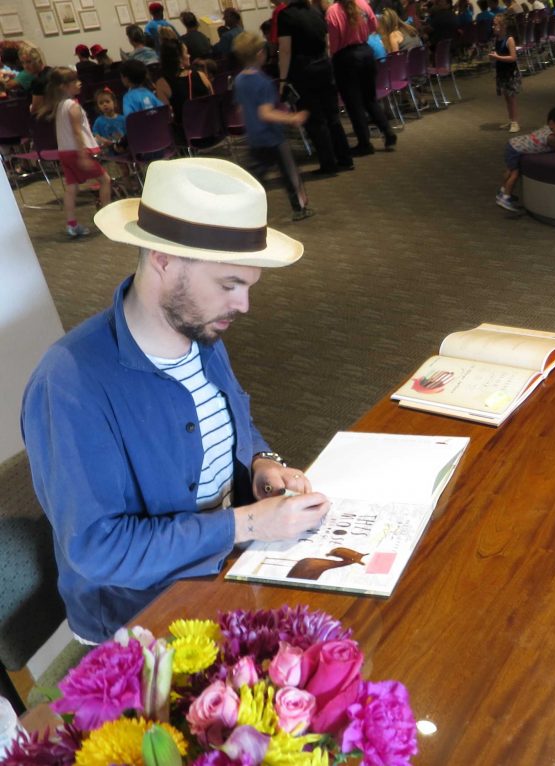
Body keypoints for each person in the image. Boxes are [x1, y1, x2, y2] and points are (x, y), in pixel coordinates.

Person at [21, 157, 332, 644]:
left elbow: (234, 417)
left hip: (223, 560)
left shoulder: (198, 332)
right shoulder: (69, 384)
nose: (244, 305)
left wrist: (261, 461)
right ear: (163, 260)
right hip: (139, 614)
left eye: (248, 286)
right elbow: (99, 550)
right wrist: (247, 523)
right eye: (229, 285)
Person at [233, 31, 314, 222]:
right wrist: (292, 117)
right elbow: (266, 113)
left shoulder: (239, 80)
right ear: (261, 53)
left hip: (254, 137)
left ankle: (242, 211)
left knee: (254, 178)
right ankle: (299, 207)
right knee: (290, 174)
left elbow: (241, 109)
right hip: (273, 138)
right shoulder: (263, 82)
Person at [278, 0, 355, 174]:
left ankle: (328, 164)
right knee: (333, 117)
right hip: (324, 67)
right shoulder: (315, 11)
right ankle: (345, 158)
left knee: (315, 120)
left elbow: (285, 50)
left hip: (304, 71)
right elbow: (327, 43)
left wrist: (283, 80)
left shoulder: (286, 15)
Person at [37, 67, 112, 239]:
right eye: (74, 82)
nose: (79, 83)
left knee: (72, 188)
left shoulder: (60, 106)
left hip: (64, 153)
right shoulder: (73, 107)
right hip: (76, 152)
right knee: (105, 179)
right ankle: (107, 218)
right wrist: (83, 154)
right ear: (64, 86)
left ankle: (71, 224)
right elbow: (78, 133)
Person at [326, 0, 398, 155]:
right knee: (370, 98)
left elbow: (334, 42)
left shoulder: (333, 11)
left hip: (346, 57)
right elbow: (374, 27)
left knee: (354, 104)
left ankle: (364, 143)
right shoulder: (363, 5)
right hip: (366, 53)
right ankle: (387, 131)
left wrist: (332, 56)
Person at [496, 105, 555, 210]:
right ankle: (505, 198)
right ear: (551, 124)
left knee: (510, 171)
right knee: (515, 174)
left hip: (512, 145)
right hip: (515, 150)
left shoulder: (546, 128)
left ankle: (503, 191)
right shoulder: (550, 138)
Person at [154, 39, 212, 140]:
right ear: (179, 59)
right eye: (186, 53)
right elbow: (213, 100)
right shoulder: (201, 75)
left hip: (187, 136)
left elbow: (167, 116)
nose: (189, 55)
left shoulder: (162, 84)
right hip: (212, 129)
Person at [489, 12, 521, 132]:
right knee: (506, 97)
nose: (493, 27)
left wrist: (497, 57)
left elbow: (513, 57)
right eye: (493, 24)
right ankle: (511, 119)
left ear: (502, 26)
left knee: (511, 98)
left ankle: (515, 122)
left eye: (495, 24)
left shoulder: (509, 40)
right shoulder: (496, 39)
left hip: (510, 72)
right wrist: (493, 57)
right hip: (501, 72)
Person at [92, 88, 128, 156]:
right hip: (110, 149)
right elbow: (95, 133)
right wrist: (101, 140)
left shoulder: (122, 119)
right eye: (101, 103)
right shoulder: (99, 121)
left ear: (114, 103)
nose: (104, 105)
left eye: (107, 101)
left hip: (124, 147)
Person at [20, 46, 51, 114]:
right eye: (23, 63)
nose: (25, 66)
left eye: (29, 62)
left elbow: (35, 110)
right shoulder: (51, 70)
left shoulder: (38, 82)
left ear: (38, 60)